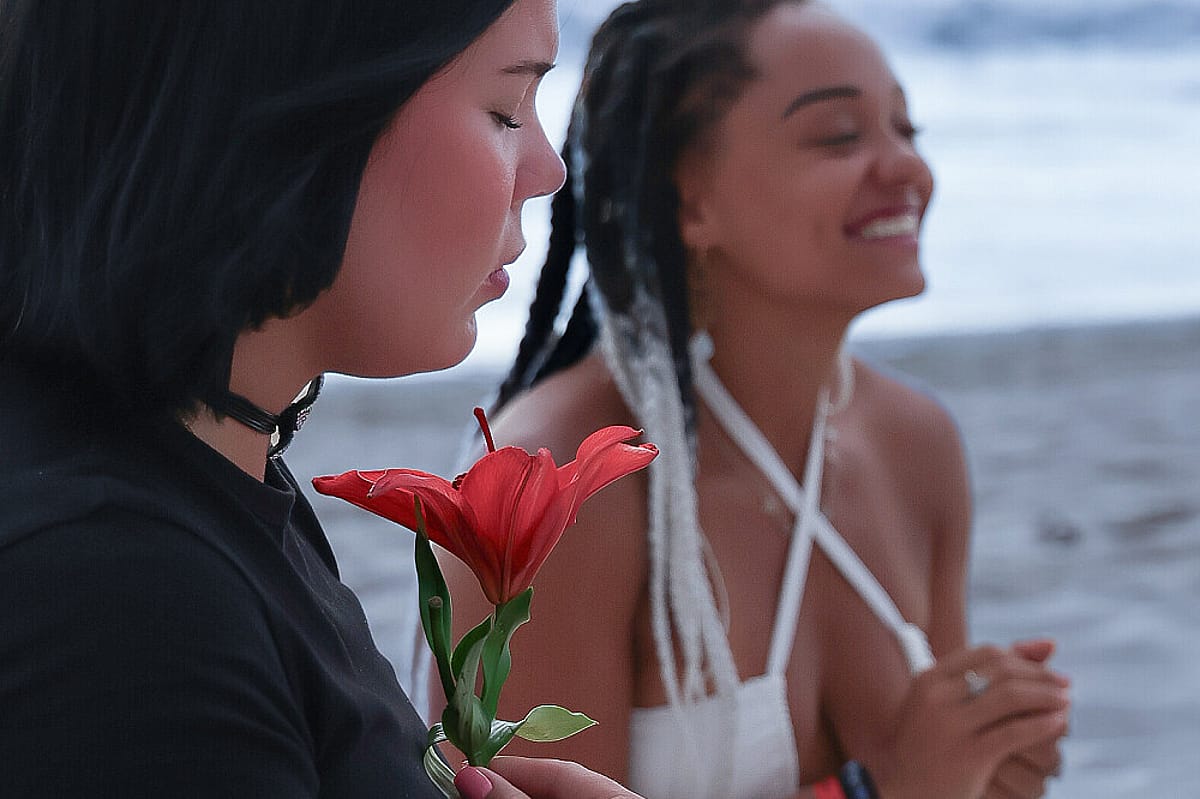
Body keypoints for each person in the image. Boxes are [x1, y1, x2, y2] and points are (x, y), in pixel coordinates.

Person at [0, 1, 644, 797]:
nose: (551, 171)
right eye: (506, 109)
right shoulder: (124, 600)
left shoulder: (210, 481)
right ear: (297, 106)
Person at [439, 1, 1072, 798]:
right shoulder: (564, 480)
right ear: (689, 199)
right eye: (839, 136)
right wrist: (885, 788)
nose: (908, 170)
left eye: (908, 132)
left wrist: (993, 763)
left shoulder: (916, 444)